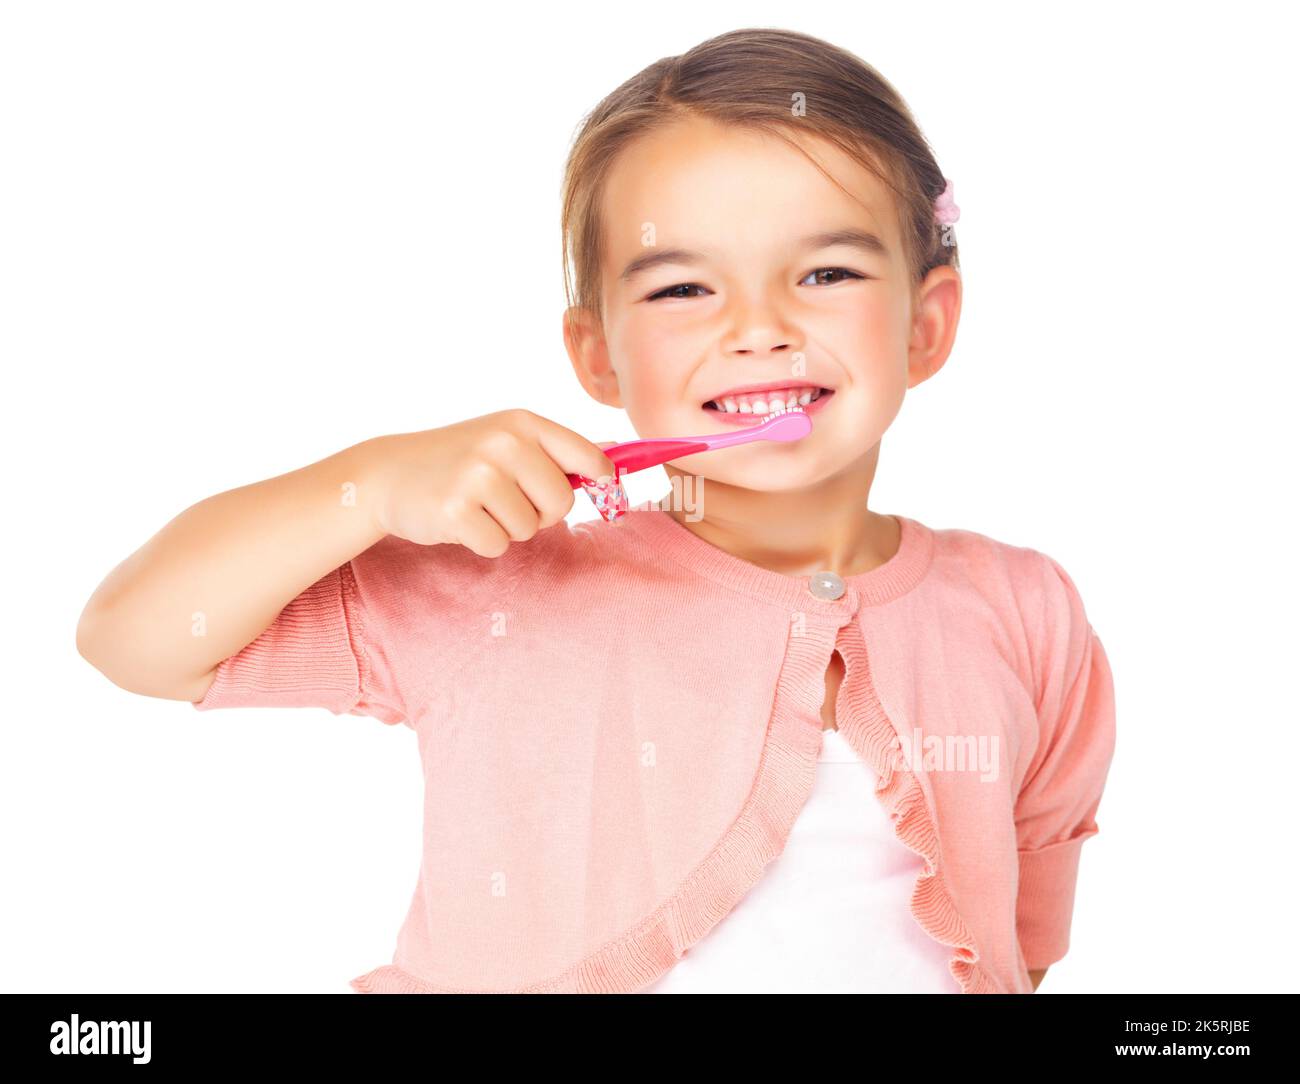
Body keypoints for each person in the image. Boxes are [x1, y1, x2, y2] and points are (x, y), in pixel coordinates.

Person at [76, 27, 1116, 994]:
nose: (757, 327)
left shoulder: (1027, 611)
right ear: (596, 355)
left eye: (825, 271)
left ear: (926, 325)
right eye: (681, 290)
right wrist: (370, 480)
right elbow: (136, 638)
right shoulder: (496, 581)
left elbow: (1021, 948)